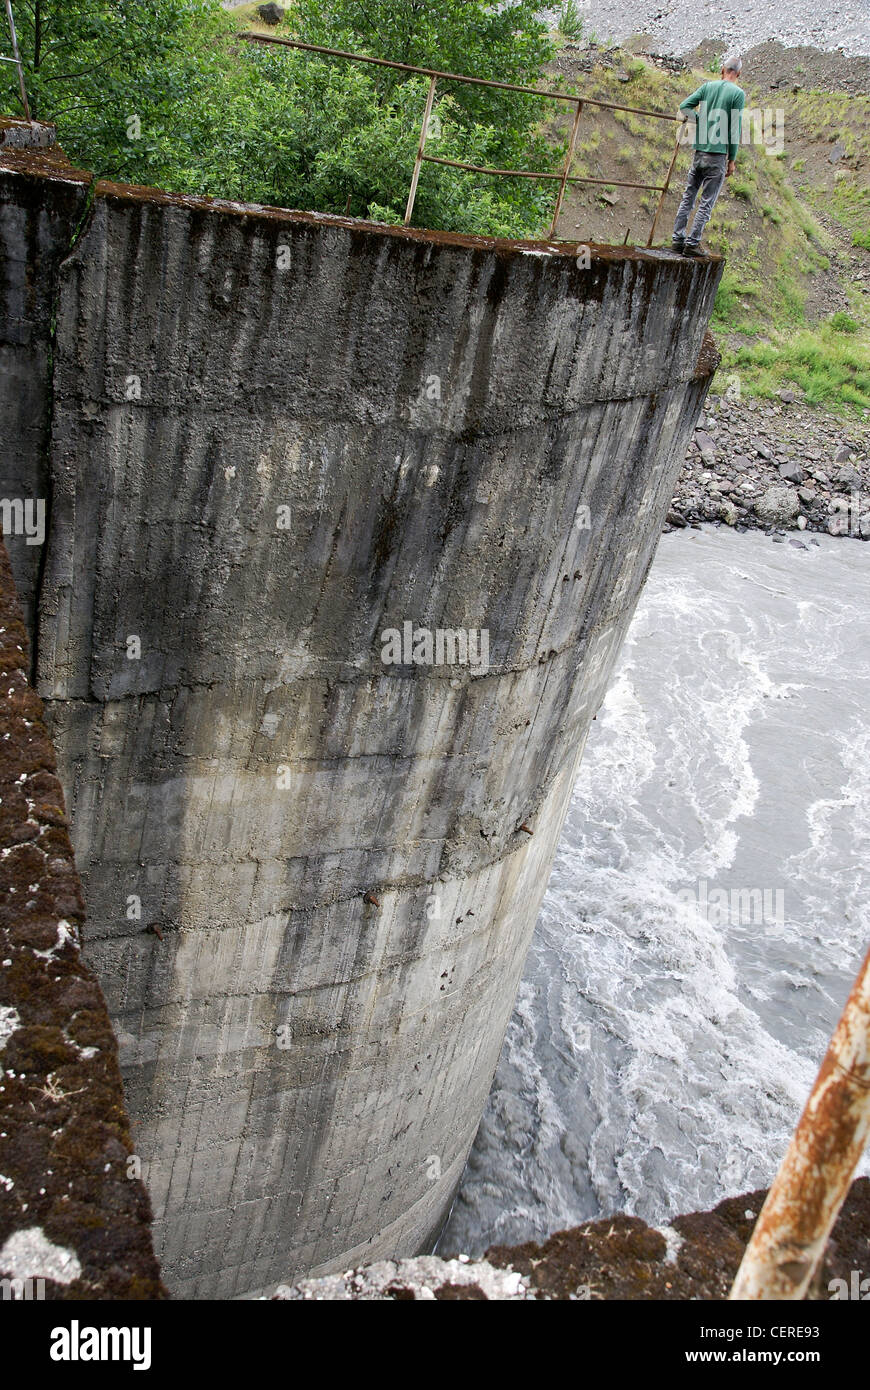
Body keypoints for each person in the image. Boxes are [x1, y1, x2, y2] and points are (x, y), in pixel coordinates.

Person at [672, 56, 746, 257]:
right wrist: (732, 159)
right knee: (707, 200)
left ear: (722, 69)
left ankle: (677, 240)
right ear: (738, 74)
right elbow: (734, 128)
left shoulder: (707, 87)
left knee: (689, 195)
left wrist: (700, 120)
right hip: (718, 155)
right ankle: (692, 243)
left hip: (699, 151)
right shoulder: (738, 94)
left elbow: (685, 105)